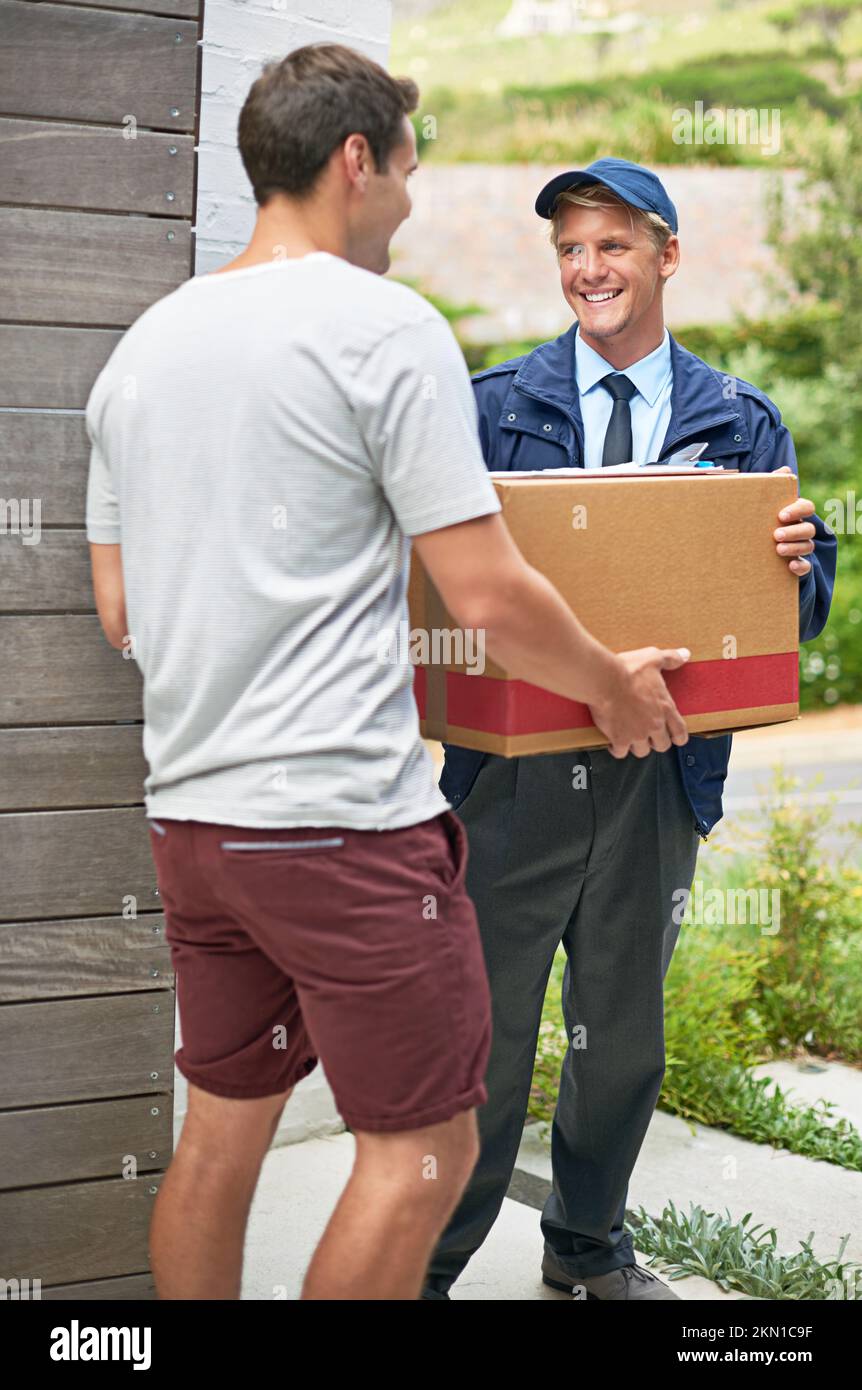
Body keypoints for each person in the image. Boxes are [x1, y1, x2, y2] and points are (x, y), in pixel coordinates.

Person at [85, 56, 690, 1301]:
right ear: (354, 161)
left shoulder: (144, 349)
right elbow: (488, 593)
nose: (411, 200)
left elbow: (121, 610)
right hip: (338, 827)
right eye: (408, 168)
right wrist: (613, 686)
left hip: (193, 825)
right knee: (423, 1150)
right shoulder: (381, 325)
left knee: (218, 1141)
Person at [422, 157, 837, 1301]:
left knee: (621, 1032)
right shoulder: (491, 407)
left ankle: (587, 1246)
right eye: (568, 249)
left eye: (610, 245)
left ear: (666, 254)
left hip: (660, 771)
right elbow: (438, 585)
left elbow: (794, 613)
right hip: (511, 777)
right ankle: (434, 1259)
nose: (587, 269)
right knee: (487, 1036)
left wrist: (798, 565)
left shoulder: (738, 419)